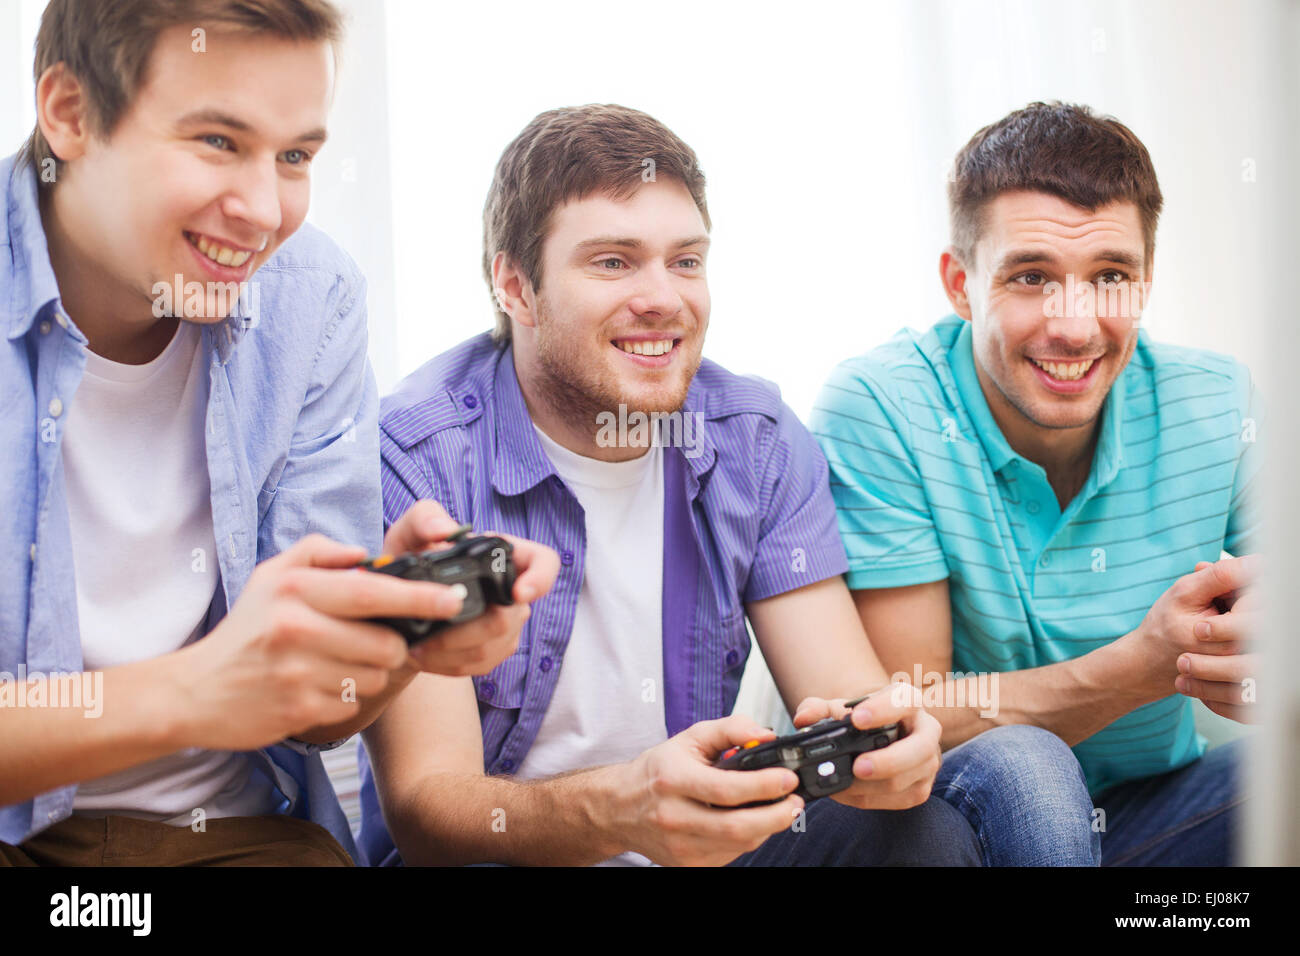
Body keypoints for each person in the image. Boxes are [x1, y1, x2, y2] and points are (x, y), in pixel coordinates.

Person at [356, 104, 1100, 867]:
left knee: (933, 826)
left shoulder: (754, 441)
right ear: (514, 286)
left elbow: (843, 695)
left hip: (708, 850)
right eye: (613, 261)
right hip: (505, 857)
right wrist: (625, 808)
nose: (664, 298)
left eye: (685, 261)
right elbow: (426, 806)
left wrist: (885, 749)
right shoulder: (416, 457)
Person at [0, 0, 556, 867]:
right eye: (218, 141)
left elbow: (316, 716)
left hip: (233, 838)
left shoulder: (311, 298)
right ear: (69, 113)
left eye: (294, 156)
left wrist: (400, 646)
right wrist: (197, 689)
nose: (264, 210)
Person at [812, 102, 1259, 866]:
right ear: (960, 283)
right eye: (1031, 277)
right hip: (966, 821)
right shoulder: (884, 407)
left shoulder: (1219, 402)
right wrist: (1141, 667)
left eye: (1111, 276)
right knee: (1029, 765)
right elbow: (899, 714)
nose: (1075, 327)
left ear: (1146, 282)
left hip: (1158, 812)